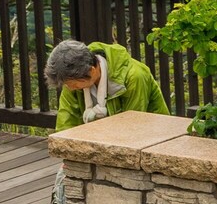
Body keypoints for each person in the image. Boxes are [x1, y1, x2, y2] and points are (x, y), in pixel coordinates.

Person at [46, 40, 168, 204]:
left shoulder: (134, 76)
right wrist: (69, 157)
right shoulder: (73, 82)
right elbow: (66, 126)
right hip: (103, 148)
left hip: (149, 146)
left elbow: (134, 129)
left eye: (71, 84)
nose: (69, 88)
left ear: (92, 70)